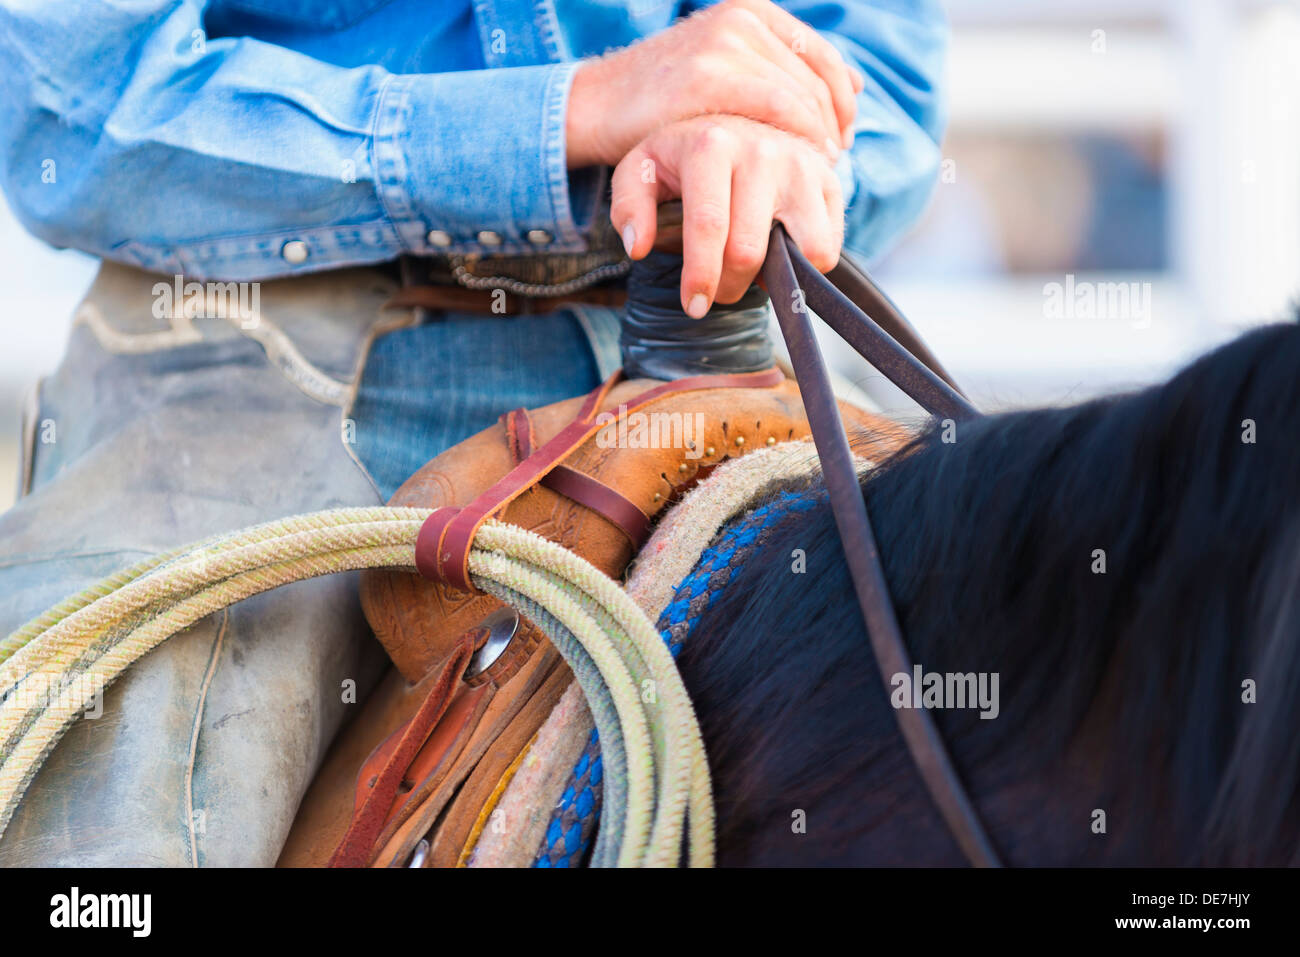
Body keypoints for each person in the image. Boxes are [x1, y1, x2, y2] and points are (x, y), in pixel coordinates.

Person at [0, 0, 946, 865]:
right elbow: (70, 107)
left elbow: (886, 77)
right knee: (111, 812)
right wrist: (577, 113)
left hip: (719, 313)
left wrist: (759, 146)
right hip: (251, 314)